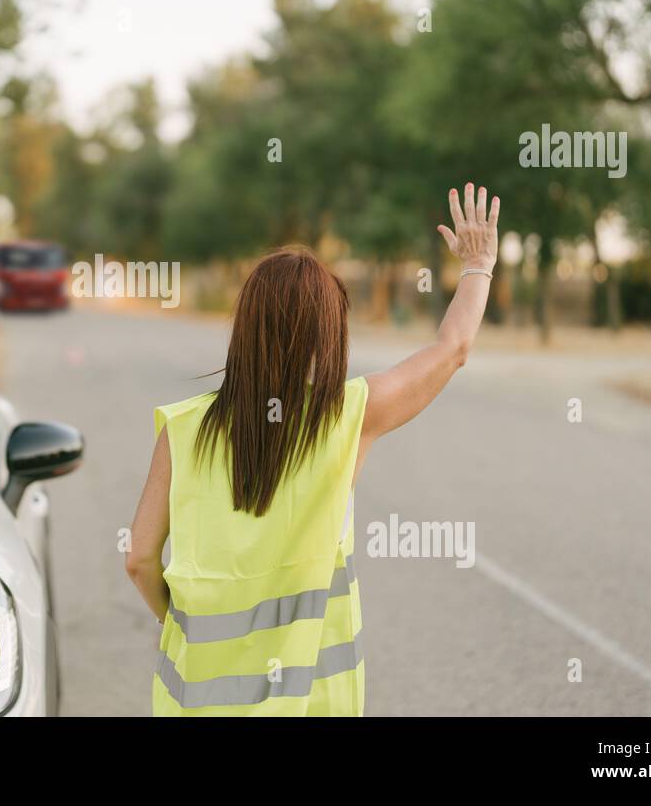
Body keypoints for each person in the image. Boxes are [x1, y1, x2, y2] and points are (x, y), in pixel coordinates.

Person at [126, 183, 500, 716]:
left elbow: (139, 560)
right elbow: (452, 348)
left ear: (245, 327)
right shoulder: (346, 417)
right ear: (328, 334)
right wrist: (478, 265)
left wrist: (179, 623)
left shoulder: (182, 429)